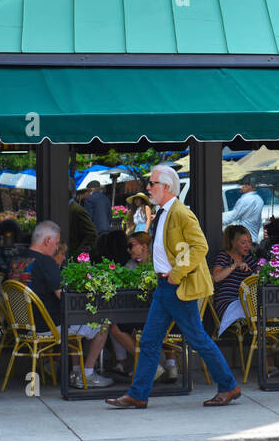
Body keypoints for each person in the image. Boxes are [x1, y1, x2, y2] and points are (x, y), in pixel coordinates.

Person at [106, 164, 242, 409]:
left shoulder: (180, 212)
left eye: (152, 184)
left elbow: (200, 246)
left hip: (176, 286)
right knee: (149, 341)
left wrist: (177, 273)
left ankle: (229, 386)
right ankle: (138, 394)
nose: (148, 187)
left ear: (166, 187)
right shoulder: (162, 212)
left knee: (198, 339)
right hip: (165, 286)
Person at [8, 221, 117, 388]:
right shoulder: (46, 262)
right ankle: (87, 374)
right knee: (102, 322)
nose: (57, 247)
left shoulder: (17, 259)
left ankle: (75, 371)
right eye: (56, 243)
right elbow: (63, 297)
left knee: (73, 322)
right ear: (47, 241)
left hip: (22, 325)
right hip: (48, 326)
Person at [212, 225, 258, 339]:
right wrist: (234, 265)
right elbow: (216, 277)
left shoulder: (248, 259)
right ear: (233, 243)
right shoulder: (224, 256)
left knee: (262, 309)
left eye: (249, 242)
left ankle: (268, 347)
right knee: (256, 311)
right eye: (243, 243)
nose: (248, 246)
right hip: (227, 303)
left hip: (244, 302)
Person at [222, 175, 265, 243]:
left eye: (245, 184)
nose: (242, 186)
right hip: (254, 237)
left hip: (244, 238)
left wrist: (218, 223)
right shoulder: (259, 199)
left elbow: (233, 216)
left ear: (250, 186)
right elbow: (259, 222)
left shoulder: (245, 199)